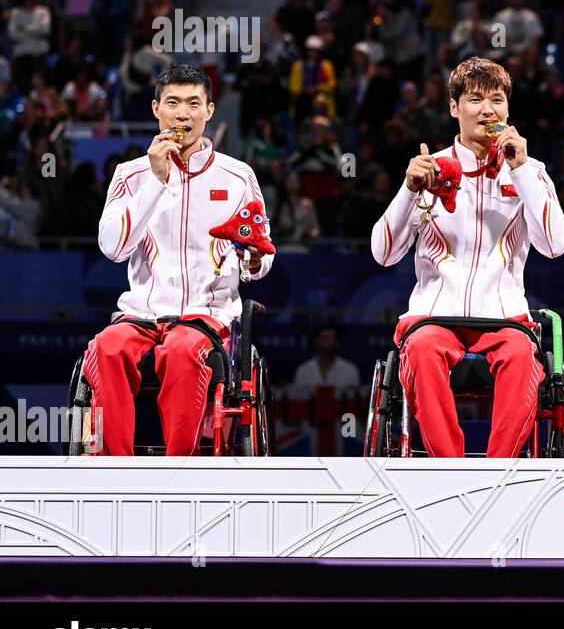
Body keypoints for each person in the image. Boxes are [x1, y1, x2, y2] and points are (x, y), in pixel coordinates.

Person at [370, 56, 564, 457]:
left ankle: (498, 473)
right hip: (434, 316)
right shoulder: (428, 171)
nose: (487, 110)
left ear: (508, 109)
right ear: (453, 107)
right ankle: (450, 471)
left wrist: (524, 171)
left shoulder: (529, 171)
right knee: (423, 349)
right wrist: (409, 190)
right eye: (475, 99)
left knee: (520, 355)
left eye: (497, 99)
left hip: (504, 319)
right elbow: (383, 254)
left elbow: (555, 244)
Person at [81, 64, 274, 455]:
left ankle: (179, 468)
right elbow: (113, 248)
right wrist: (156, 178)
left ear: (210, 110)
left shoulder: (238, 177)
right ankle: (114, 468)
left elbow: (261, 258)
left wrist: (253, 259)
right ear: (156, 109)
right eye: (172, 103)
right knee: (106, 347)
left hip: (207, 317)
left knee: (184, 351)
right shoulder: (129, 175)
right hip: (140, 316)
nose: (182, 114)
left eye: (192, 104)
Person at [292, 322, 360, 393]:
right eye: (327, 338)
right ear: (316, 341)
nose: (332, 341)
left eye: (334, 338)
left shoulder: (350, 370)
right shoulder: (303, 371)